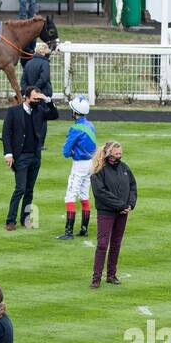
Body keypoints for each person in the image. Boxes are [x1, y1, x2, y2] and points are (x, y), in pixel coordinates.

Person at [0, 86, 59, 231]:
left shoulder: (40, 110)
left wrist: (48, 100)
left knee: (29, 190)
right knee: (20, 189)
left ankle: (25, 220)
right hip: (20, 157)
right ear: (26, 98)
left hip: (35, 156)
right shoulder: (13, 112)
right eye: (34, 99)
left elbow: (54, 115)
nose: (37, 101)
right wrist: (8, 154)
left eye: (38, 99)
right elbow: (6, 133)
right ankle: (10, 221)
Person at [90, 141, 137, 288]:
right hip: (106, 213)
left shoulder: (124, 168)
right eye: (117, 153)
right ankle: (96, 278)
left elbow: (132, 187)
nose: (119, 155)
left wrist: (130, 204)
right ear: (109, 153)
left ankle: (111, 275)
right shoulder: (99, 170)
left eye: (120, 153)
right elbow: (100, 193)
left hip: (122, 212)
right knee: (103, 244)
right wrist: (120, 205)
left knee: (116, 244)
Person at [57, 96, 97, 240]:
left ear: (75, 112)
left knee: (70, 195)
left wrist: (72, 152)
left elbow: (65, 151)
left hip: (79, 165)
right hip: (90, 164)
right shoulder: (91, 125)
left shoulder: (75, 128)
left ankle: (68, 232)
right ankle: (84, 229)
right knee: (84, 195)